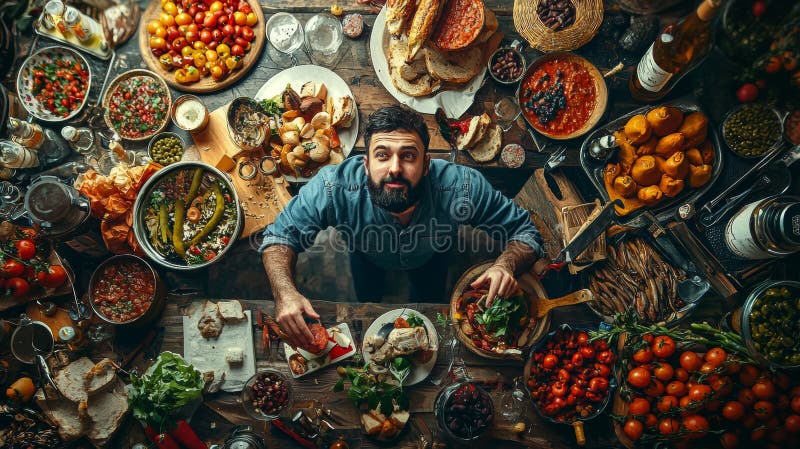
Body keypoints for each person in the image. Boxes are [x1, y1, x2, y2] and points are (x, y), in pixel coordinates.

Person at [261, 105, 547, 349]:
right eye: (382, 155)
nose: (394, 168)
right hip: (364, 258)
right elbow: (278, 236)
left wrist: (506, 265)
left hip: (433, 258)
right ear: (365, 164)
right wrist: (285, 293)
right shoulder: (333, 186)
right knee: (367, 296)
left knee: (432, 298)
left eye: (408, 155)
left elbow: (526, 233)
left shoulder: (463, 187)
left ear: (425, 165)